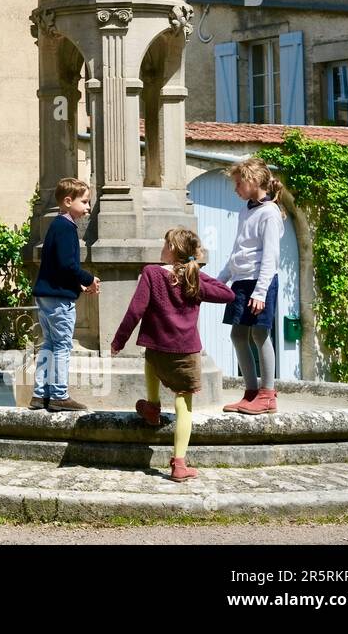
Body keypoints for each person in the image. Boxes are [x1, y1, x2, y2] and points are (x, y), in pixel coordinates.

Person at [111, 227, 235, 482]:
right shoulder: (194, 279)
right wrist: (197, 272)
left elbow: (135, 311)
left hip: (157, 347)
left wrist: (119, 341)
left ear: (172, 249)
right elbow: (227, 294)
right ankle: (179, 464)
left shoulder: (152, 273)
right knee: (183, 406)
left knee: (151, 361)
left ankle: (153, 406)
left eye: (165, 243)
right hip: (186, 352)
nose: (162, 246)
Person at [219, 157, 285, 415]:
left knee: (260, 334)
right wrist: (221, 279)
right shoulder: (246, 209)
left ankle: (267, 395)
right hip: (242, 281)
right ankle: (250, 393)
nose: (235, 188)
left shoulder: (269, 213)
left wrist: (260, 292)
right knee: (237, 335)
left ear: (254, 181)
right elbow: (239, 251)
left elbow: (270, 257)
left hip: (261, 281)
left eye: (238, 183)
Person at [29, 177, 100, 412]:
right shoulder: (68, 228)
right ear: (68, 201)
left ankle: (40, 394)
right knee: (62, 346)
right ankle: (59, 395)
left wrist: (76, 284)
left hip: (46, 295)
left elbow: (56, 266)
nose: (88, 207)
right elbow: (69, 265)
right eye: (85, 202)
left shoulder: (55, 226)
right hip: (59, 300)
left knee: (48, 343)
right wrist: (88, 279)